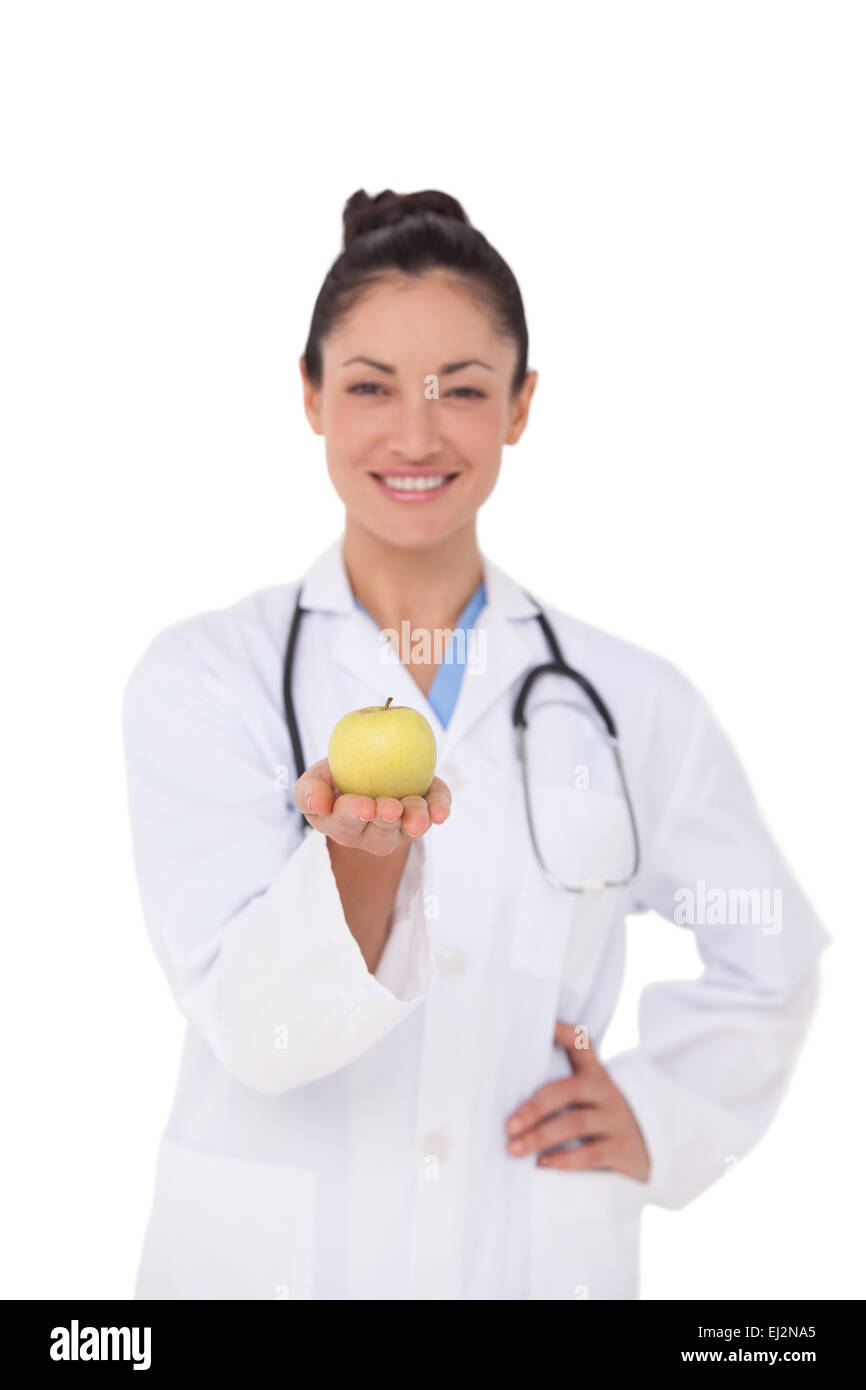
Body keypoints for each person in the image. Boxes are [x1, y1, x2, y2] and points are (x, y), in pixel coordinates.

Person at [122, 187, 830, 1301]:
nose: (415, 432)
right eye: (368, 386)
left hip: (527, 1253)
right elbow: (254, 1035)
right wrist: (358, 865)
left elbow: (770, 952)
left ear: (521, 405)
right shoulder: (207, 678)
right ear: (309, 396)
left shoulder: (629, 700)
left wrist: (660, 1107)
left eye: (462, 388)